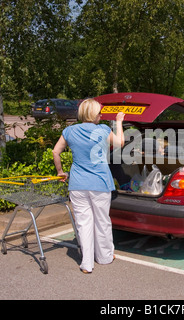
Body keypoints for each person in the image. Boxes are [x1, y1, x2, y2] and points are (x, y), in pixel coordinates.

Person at [53, 98, 125, 274]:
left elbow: (56, 151)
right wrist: (119, 121)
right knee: (102, 221)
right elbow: (120, 143)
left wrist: (60, 171)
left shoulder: (69, 131)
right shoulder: (103, 130)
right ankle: (105, 257)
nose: (101, 115)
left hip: (77, 184)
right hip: (100, 183)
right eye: (99, 112)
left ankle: (86, 263)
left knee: (84, 223)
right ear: (94, 114)